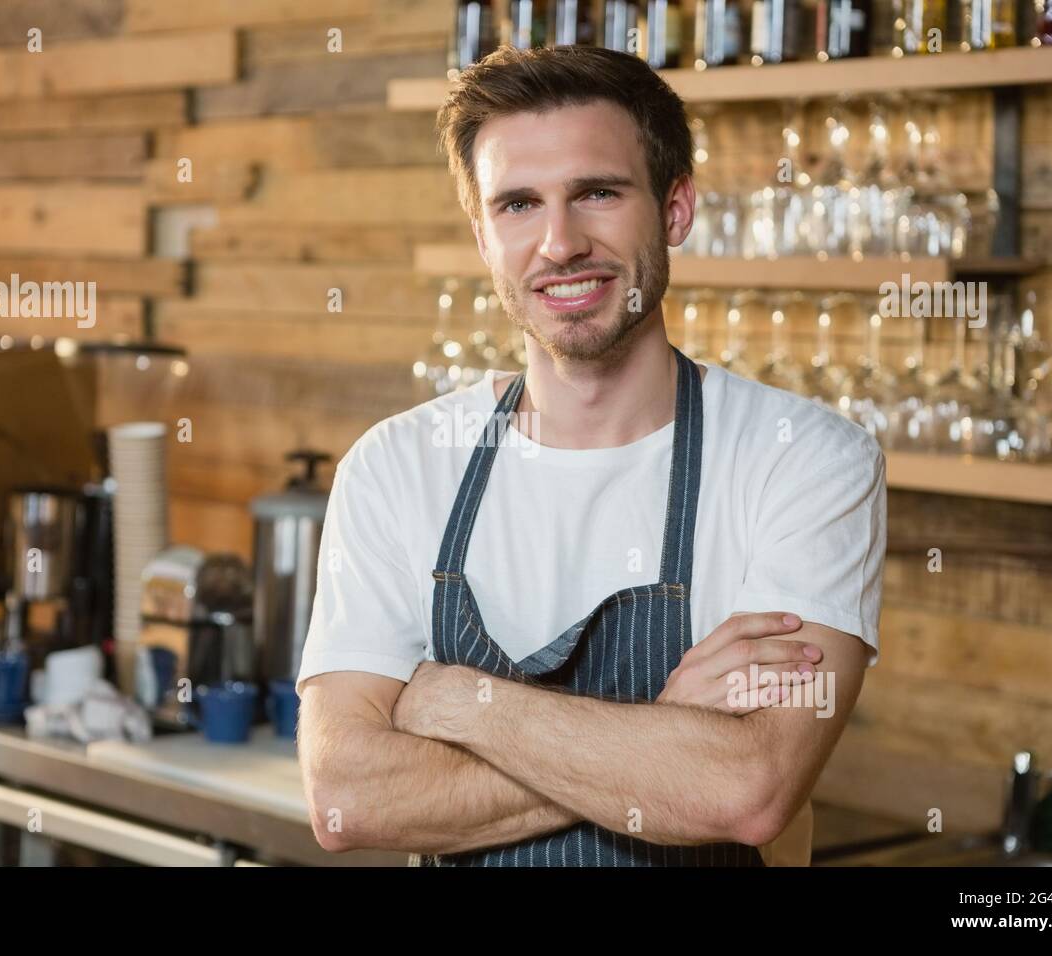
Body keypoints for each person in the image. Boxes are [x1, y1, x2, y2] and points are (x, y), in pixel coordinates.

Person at [295, 45, 886, 866]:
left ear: (674, 209)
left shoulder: (807, 462)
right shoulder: (396, 467)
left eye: (597, 194)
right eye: (518, 205)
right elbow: (346, 801)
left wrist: (456, 703)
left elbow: (748, 791)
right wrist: (664, 733)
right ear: (482, 237)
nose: (560, 243)